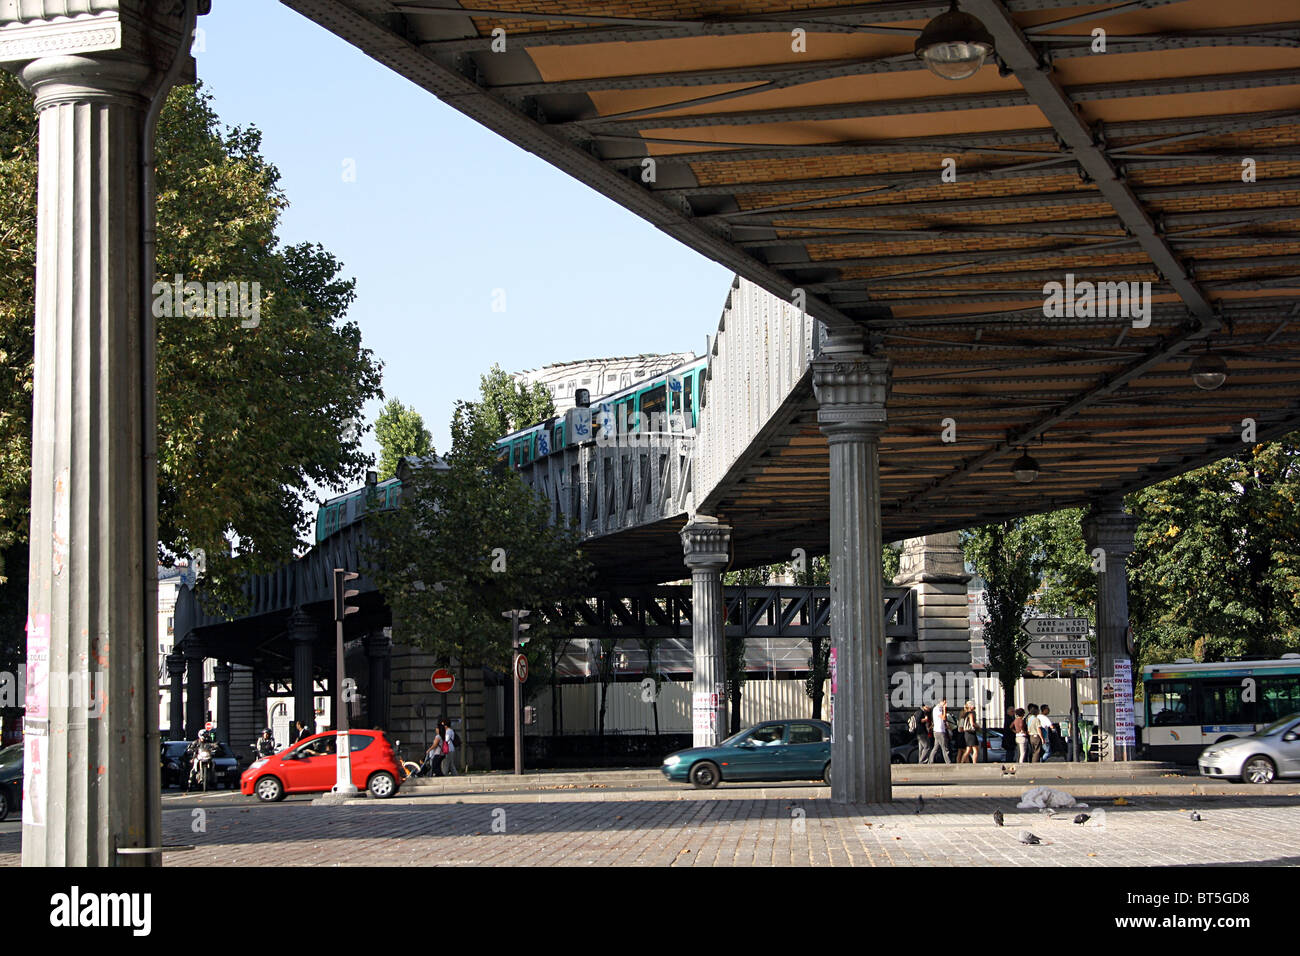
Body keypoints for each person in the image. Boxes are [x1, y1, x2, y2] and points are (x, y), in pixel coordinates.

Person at [926, 698, 951, 764]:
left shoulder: (939, 709)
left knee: (935, 748)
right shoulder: (937, 709)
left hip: (938, 730)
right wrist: (945, 709)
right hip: (939, 731)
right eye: (944, 703)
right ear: (941, 702)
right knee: (945, 747)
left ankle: (930, 761)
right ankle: (948, 762)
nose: (945, 704)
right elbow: (943, 717)